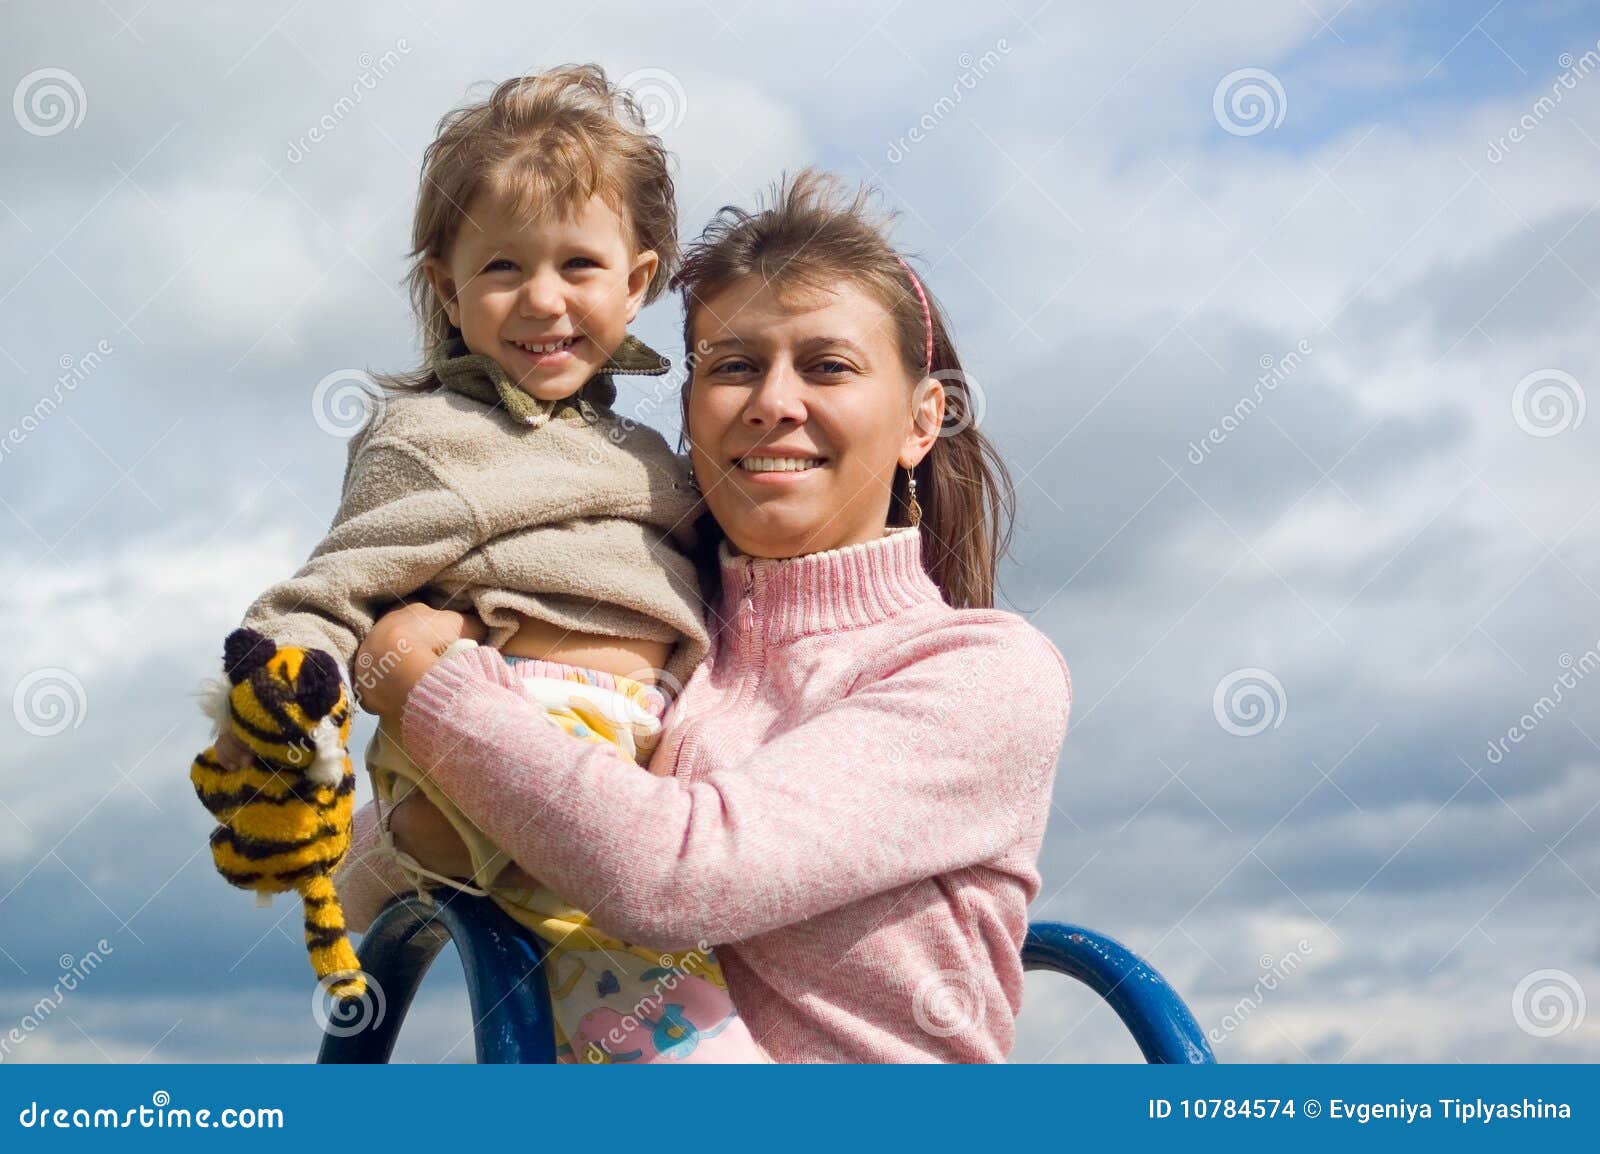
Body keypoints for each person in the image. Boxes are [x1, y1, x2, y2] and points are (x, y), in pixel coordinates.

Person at [340, 169, 1074, 1063]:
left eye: (827, 366)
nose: (772, 401)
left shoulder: (980, 671)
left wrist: (434, 688)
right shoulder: (659, 653)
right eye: (733, 367)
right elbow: (362, 891)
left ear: (923, 420)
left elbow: (676, 874)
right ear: (691, 414)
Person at [195, 65, 763, 1063]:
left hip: (644, 764)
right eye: (502, 268)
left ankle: (395, 849)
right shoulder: (432, 435)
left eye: (579, 266)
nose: (542, 299)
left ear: (637, 282)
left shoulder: (654, 460)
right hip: (524, 734)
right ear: (448, 288)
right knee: (691, 1046)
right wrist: (276, 693)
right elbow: (332, 588)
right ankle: (408, 842)